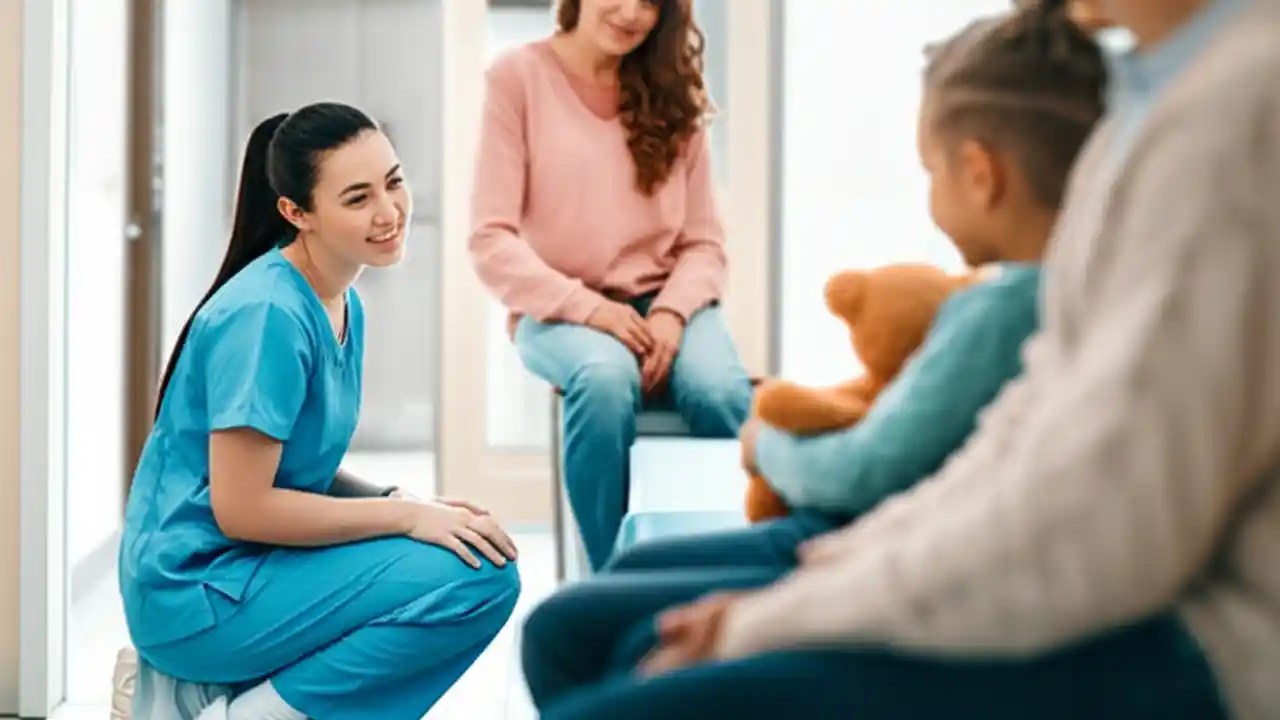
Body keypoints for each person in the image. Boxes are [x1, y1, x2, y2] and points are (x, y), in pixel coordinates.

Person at [526, 0, 1280, 717]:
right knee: (603, 624)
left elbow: (1097, 524)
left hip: (1196, 640)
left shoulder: (1233, 120)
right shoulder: (1153, 114)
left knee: (631, 665)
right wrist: (833, 577)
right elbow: (1020, 444)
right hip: (1113, 584)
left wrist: (779, 614)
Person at [115, 102, 521, 720]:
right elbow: (243, 505)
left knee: (479, 557)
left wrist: (402, 501)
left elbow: (295, 466)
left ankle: (226, 700)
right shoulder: (267, 314)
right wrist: (405, 517)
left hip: (249, 568)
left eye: (394, 181)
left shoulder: (339, 301)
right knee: (475, 578)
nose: (389, 212)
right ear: (296, 212)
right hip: (196, 591)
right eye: (357, 198)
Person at [468, 0, 754, 571]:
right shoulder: (517, 77)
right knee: (604, 379)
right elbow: (490, 239)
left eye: (651, 2)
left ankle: (720, 571)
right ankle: (611, 584)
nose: (631, 12)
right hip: (560, 308)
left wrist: (672, 314)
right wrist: (592, 311)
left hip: (668, 301)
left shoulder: (675, 91)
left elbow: (704, 243)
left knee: (719, 390)